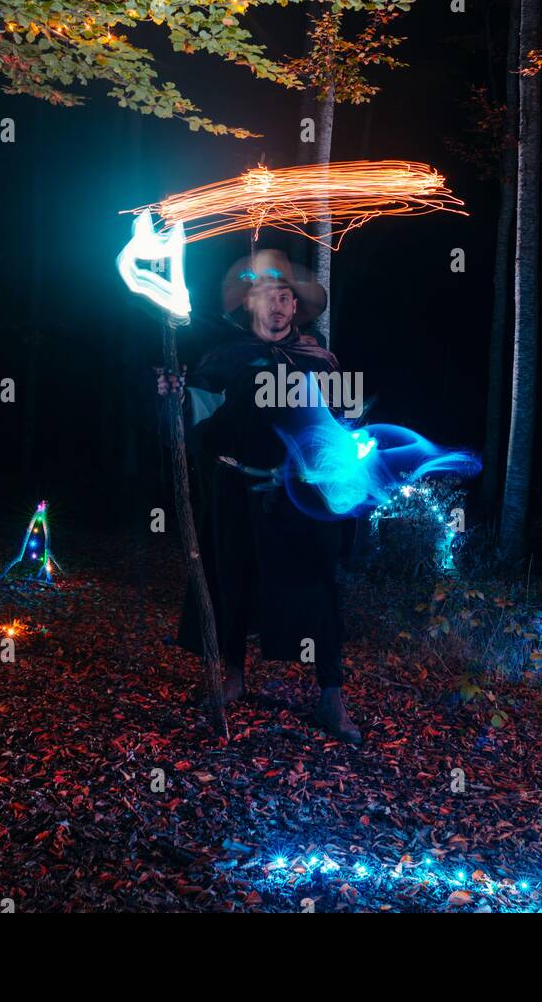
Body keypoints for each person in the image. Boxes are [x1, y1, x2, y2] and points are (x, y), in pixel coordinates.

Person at [156, 247, 361, 743]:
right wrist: (172, 397)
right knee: (232, 579)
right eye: (267, 295)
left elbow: (344, 427)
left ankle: (330, 694)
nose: (277, 305)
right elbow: (193, 425)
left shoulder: (321, 361)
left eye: (285, 297)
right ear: (250, 305)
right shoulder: (222, 362)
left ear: (295, 308)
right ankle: (233, 677)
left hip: (299, 498)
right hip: (235, 488)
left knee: (317, 587)